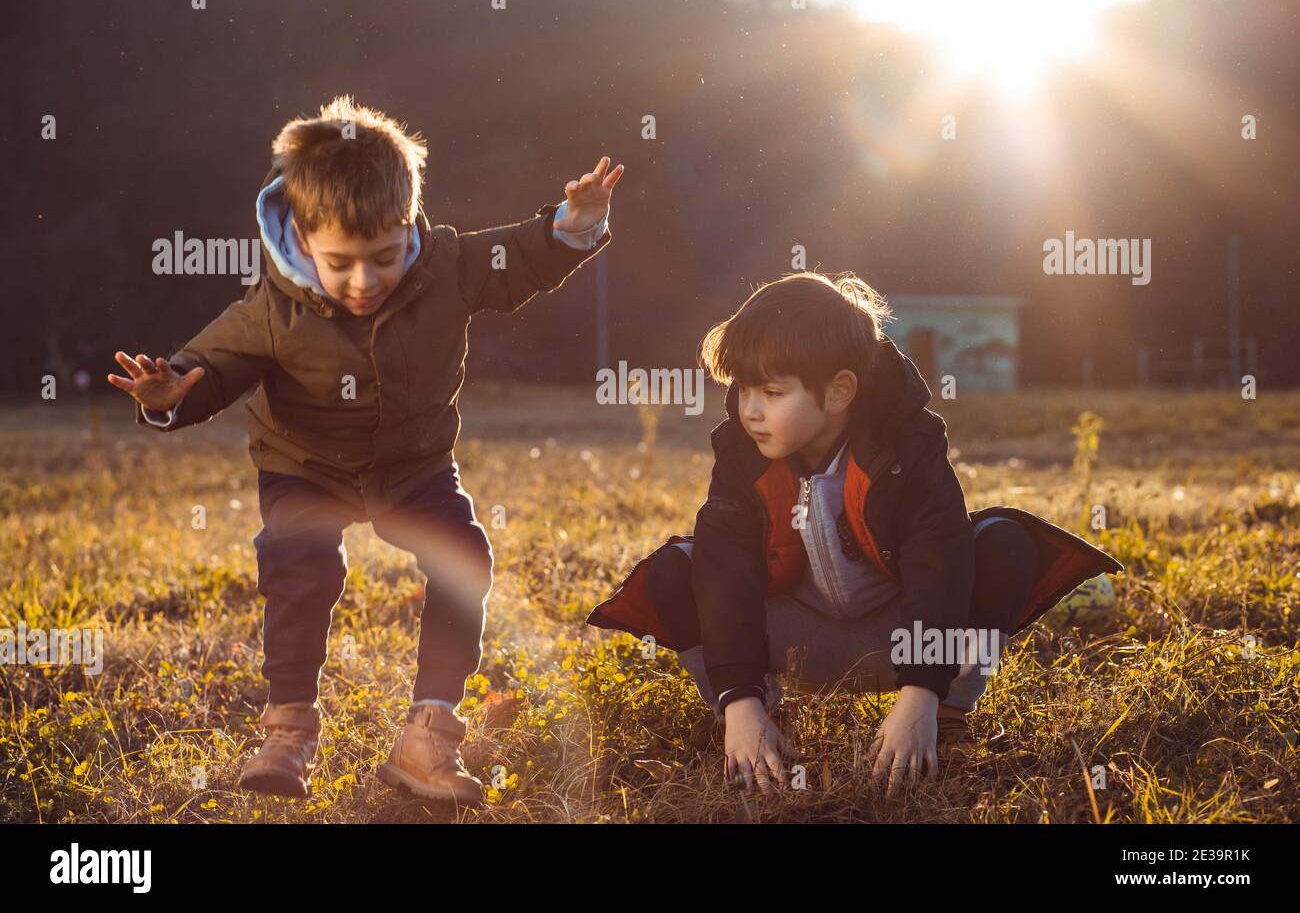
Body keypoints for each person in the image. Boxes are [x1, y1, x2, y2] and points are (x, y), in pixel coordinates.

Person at [108, 95, 622, 807]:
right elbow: (210, 369)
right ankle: (288, 730)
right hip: (303, 467)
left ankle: (428, 736)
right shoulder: (270, 306)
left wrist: (573, 226)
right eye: (339, 262)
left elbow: (518, 261)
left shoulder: (447, 265)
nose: (362, 280)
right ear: (301, 237)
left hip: (412, 467)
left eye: (382, 258)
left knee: (463, 557)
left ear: (407, 224)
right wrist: (169, 397)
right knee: (298, 567)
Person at [587, 272, 1122, 797]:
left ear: (840, 390)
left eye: (772, 392)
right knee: (676, 567)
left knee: (1002, 541)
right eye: (745, 389)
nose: (751, 410)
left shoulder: (909, 444)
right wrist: (740, 700)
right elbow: (725, 574)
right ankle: (755, 718)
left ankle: (947, 714)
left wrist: (921, 692)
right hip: (791, 639)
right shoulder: (740, 455)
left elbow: (940, 564)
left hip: (897, 636)